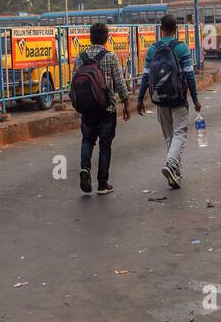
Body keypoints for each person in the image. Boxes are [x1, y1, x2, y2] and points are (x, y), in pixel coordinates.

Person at [137, 14, 200, 190]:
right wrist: (195, 99)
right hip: (178, 98)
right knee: (180, 133)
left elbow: (146, 76)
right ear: (176, 29)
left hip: (159, 99)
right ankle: (172, 164)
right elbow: (189, 75)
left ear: (161, 29)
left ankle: (175, 171)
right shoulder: (181, 48)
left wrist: (140, 99)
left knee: (169, 137)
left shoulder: (152, 50)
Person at [73, 22, 130, 195]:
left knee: (87, 139)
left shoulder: (80, 58)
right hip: (107, 108)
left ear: (90, 38)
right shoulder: (110, 56)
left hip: (87, 108)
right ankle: (102, 184)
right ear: (106, 39)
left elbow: (74, 84)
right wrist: (126, 103)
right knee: (105, 145)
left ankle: (85, 168)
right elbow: (119, 82)